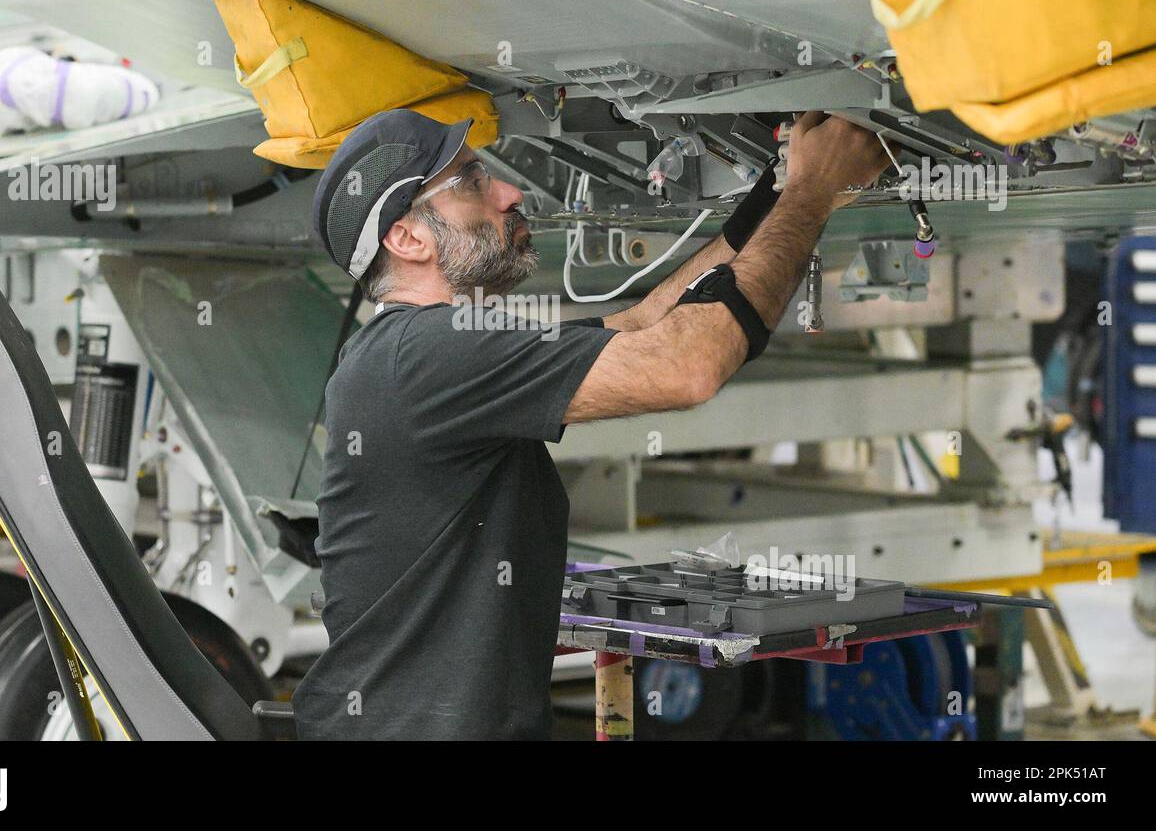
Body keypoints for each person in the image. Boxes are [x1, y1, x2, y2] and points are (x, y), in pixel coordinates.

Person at [293, 109, 890, 739]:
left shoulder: (428, 351)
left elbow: (644, 324)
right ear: (409, 238)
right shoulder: (424, 356)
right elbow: (687, 365)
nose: (510, 192)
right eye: (471, 182)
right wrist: (812, 195)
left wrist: (779, 185)